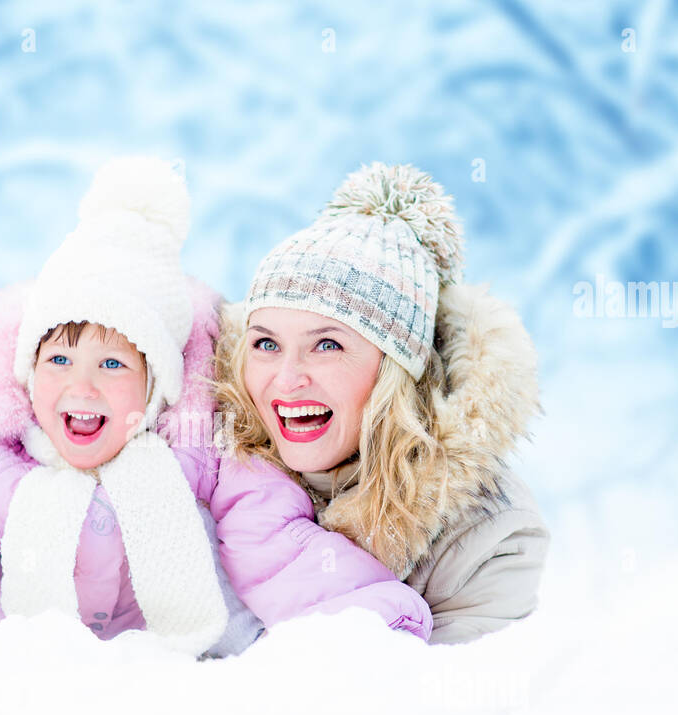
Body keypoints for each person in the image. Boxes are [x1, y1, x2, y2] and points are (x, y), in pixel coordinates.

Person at [0, 157, 433, 701]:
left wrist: (369, 623)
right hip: (10, 700)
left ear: (156, 386)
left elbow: (276, 549)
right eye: (58, 360)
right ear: (26, 369)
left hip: (152, 703)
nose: (81, 387)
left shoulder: (205, 449)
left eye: (113, 364)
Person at [215, 161, 550, 644]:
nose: (286, 380)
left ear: (396, 368)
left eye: (327, 344)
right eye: (266, 344)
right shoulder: (206, 469)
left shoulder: (488, 539)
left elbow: (453, 712)